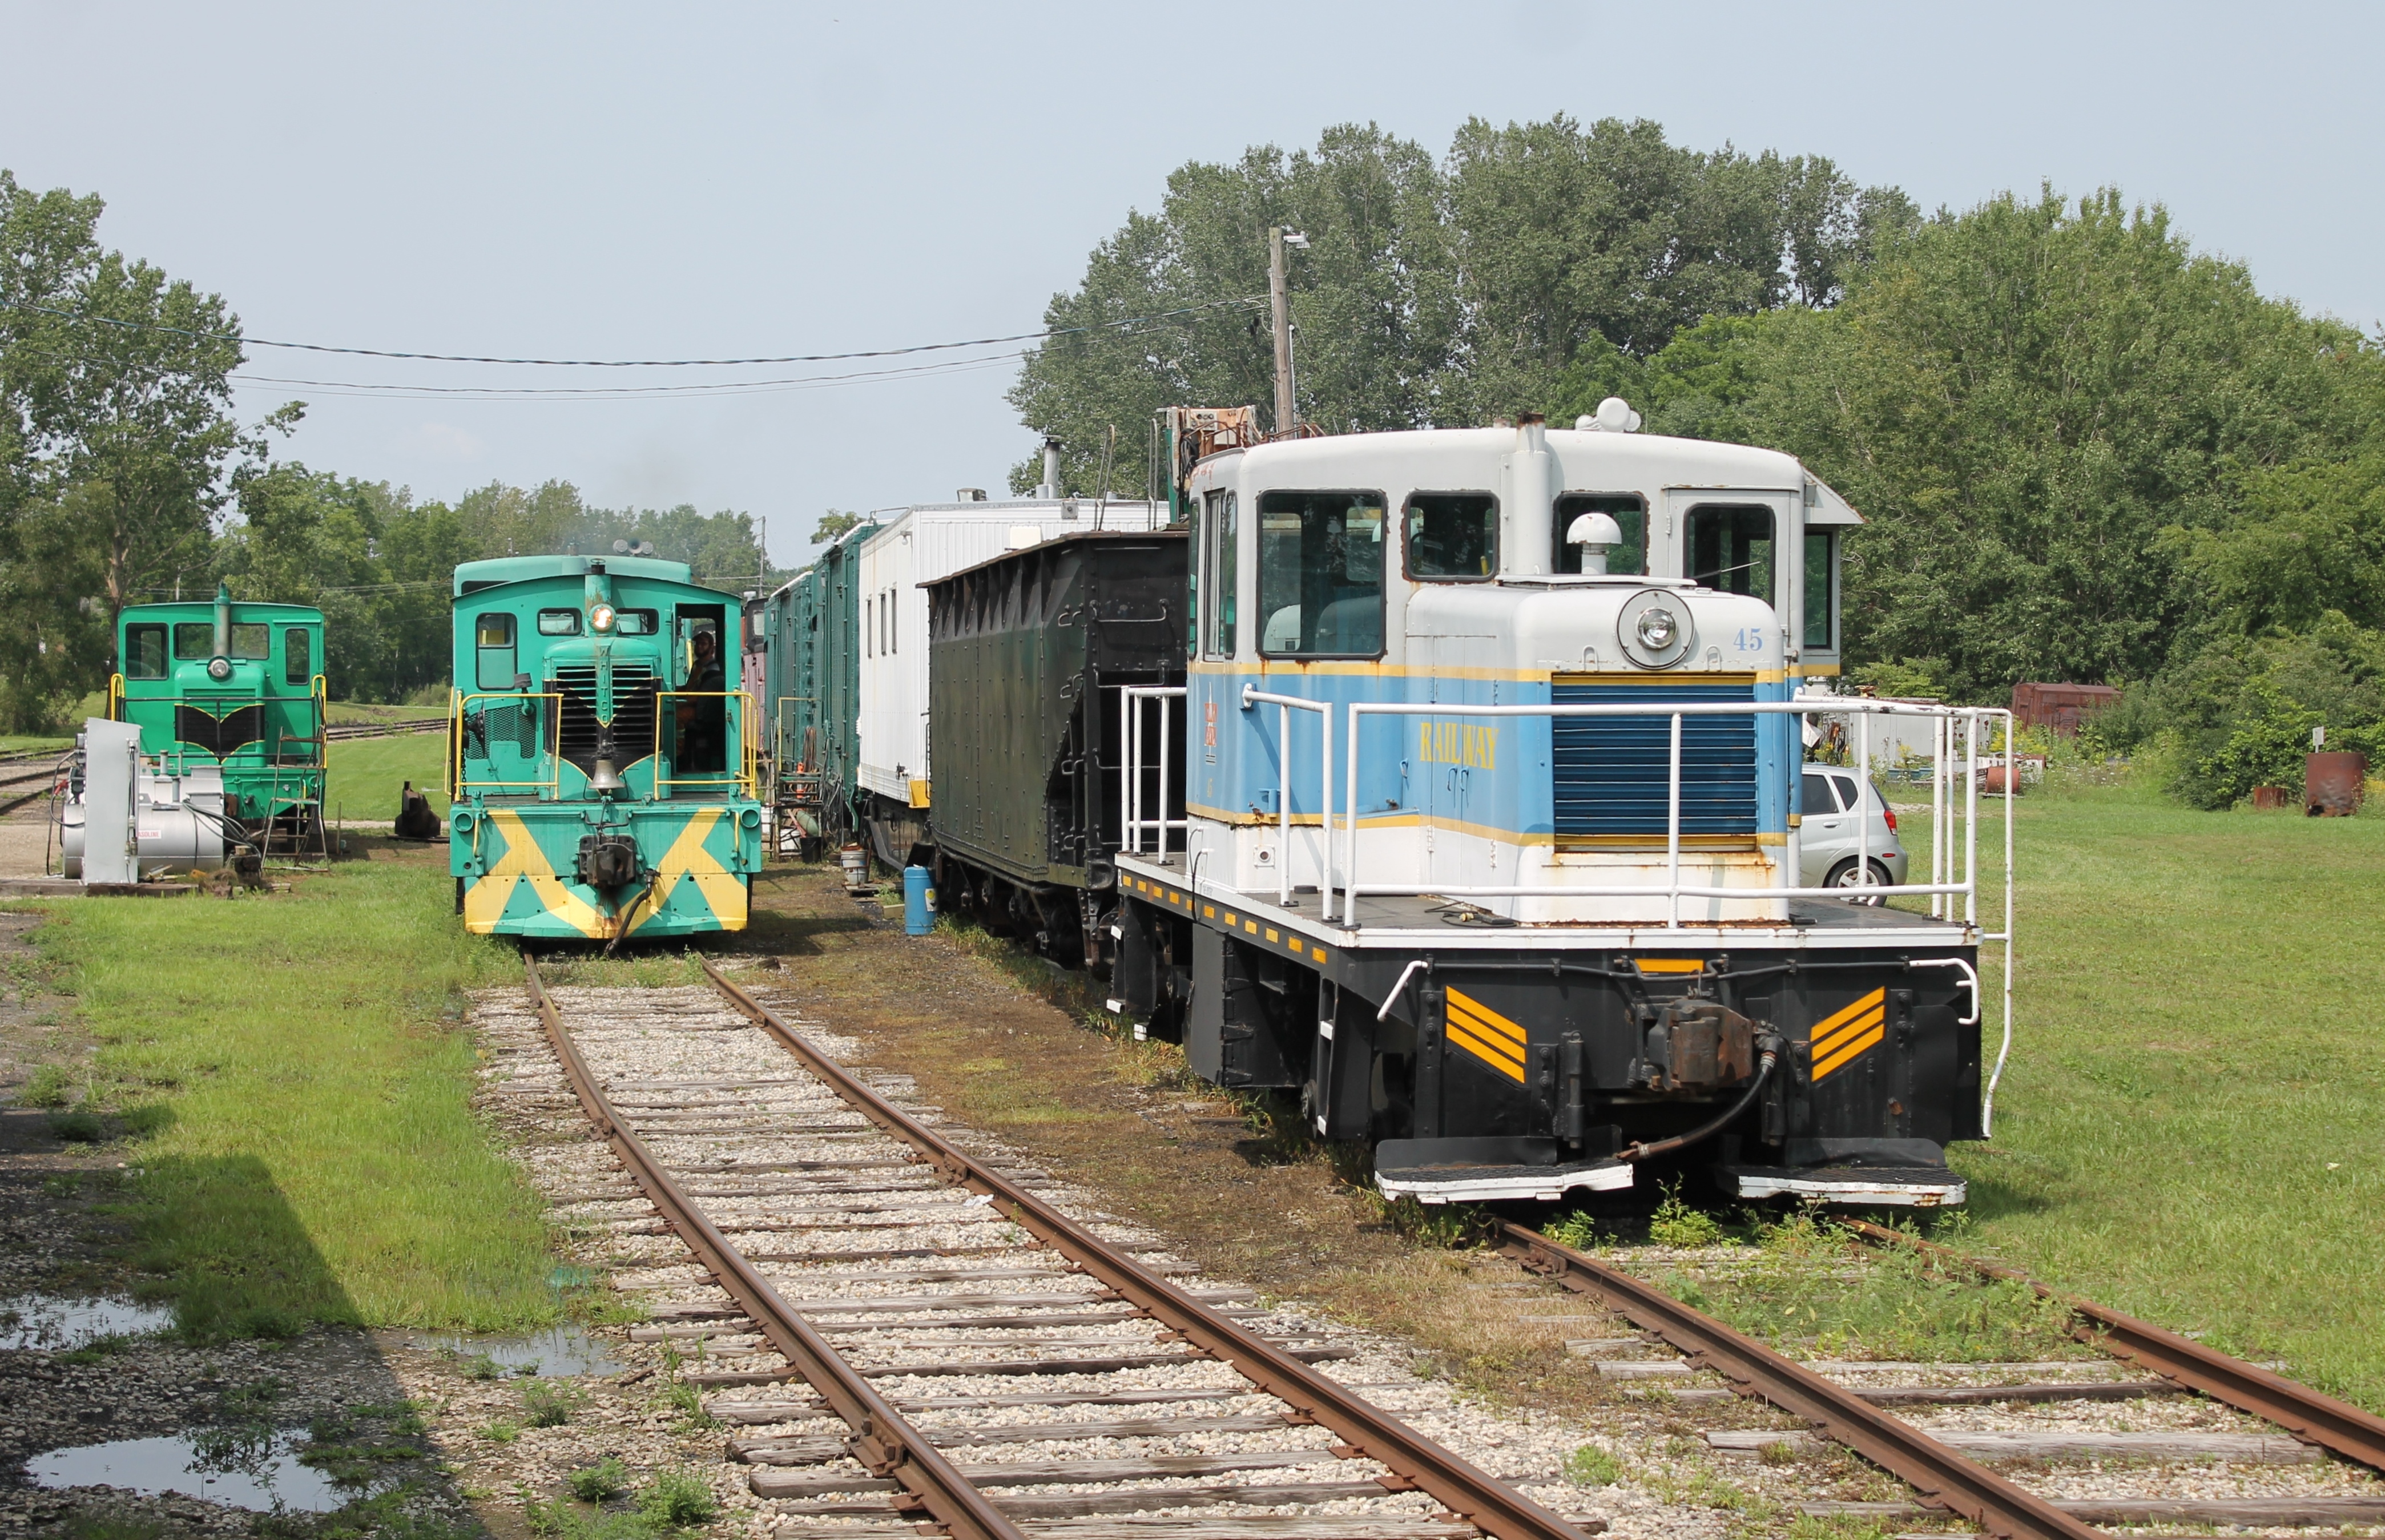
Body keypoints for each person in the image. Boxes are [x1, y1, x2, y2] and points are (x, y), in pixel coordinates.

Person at [676, 628, 727, 775]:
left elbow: (701, 696)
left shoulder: (712, 670)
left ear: (712, 647)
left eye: (703, 644)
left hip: (701, 710)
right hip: (693, 702)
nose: (699, 647)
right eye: (697, 644)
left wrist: (681, 700)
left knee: (677, 716)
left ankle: (678, 755)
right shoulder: (698, 666)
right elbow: (689, 687)